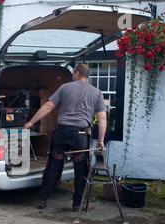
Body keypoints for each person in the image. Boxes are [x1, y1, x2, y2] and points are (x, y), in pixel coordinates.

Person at [24, 64, 107, 212]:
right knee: (81, 169)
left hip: (61, 133)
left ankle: (43, 199)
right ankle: (77, 204)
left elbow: (48, 106)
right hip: (81, 136)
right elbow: (102, 119)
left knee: (53, 166)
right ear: (87, 76)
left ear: (76, 73)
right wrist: (101, 140)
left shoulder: (65, 88)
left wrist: (31, 122)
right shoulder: (97, 93)